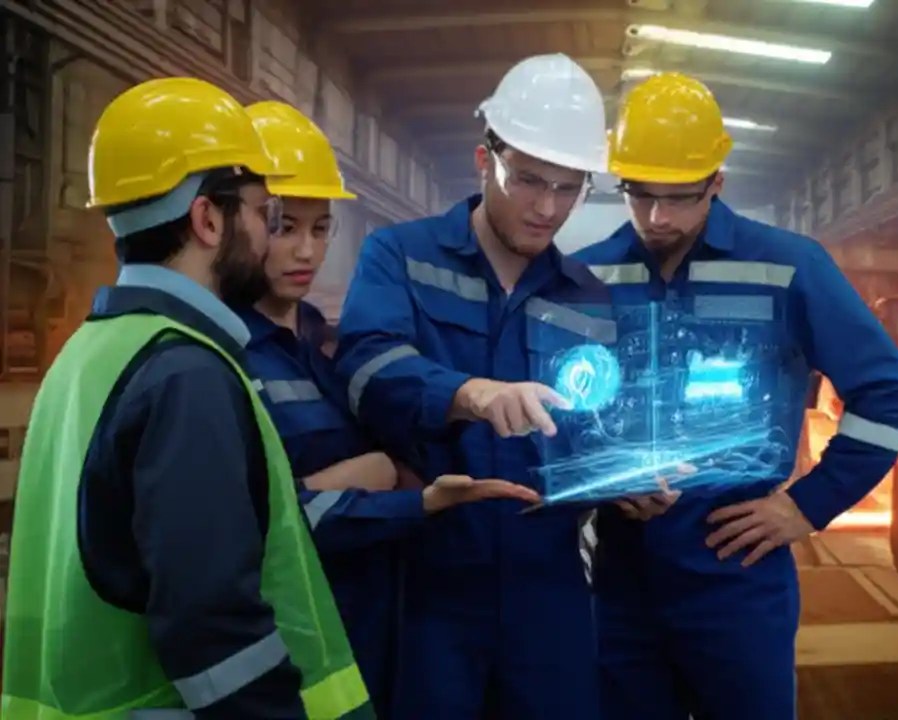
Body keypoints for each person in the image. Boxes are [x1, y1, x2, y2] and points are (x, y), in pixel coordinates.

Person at [0, 78, 372, 718]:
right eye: (263, 214)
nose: (269, 234)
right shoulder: (186, 375)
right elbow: (215, 635)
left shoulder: (89, 354)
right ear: (208, 219)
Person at [573, 72, 898, 720]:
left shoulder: (788, 267)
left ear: (717, 183)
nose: (657, 218)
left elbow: (889, 394)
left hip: (737, 571)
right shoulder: (587, 275)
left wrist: (807, 506)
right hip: (619, 581)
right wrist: (600, 473)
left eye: (679, 198)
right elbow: (563, 407)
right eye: (639, 195)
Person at [333, 54, 623, 719]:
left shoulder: (588, 298)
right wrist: (470, 393)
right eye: (527, 179)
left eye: (569, 186)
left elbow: (595, 426)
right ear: (482, 157)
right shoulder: (401, 257)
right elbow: (364, 370)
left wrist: (629, 475)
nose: (548, 207)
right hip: (431, 585)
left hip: (547, 589)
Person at [231, 100, 542, 718]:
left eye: (320, 229)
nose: (305, 251)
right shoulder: (228, 357)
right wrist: (398, 490)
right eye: (284, 226)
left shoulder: (319, 343)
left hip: (370, 630)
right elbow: (252, 525)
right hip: (290, 646)